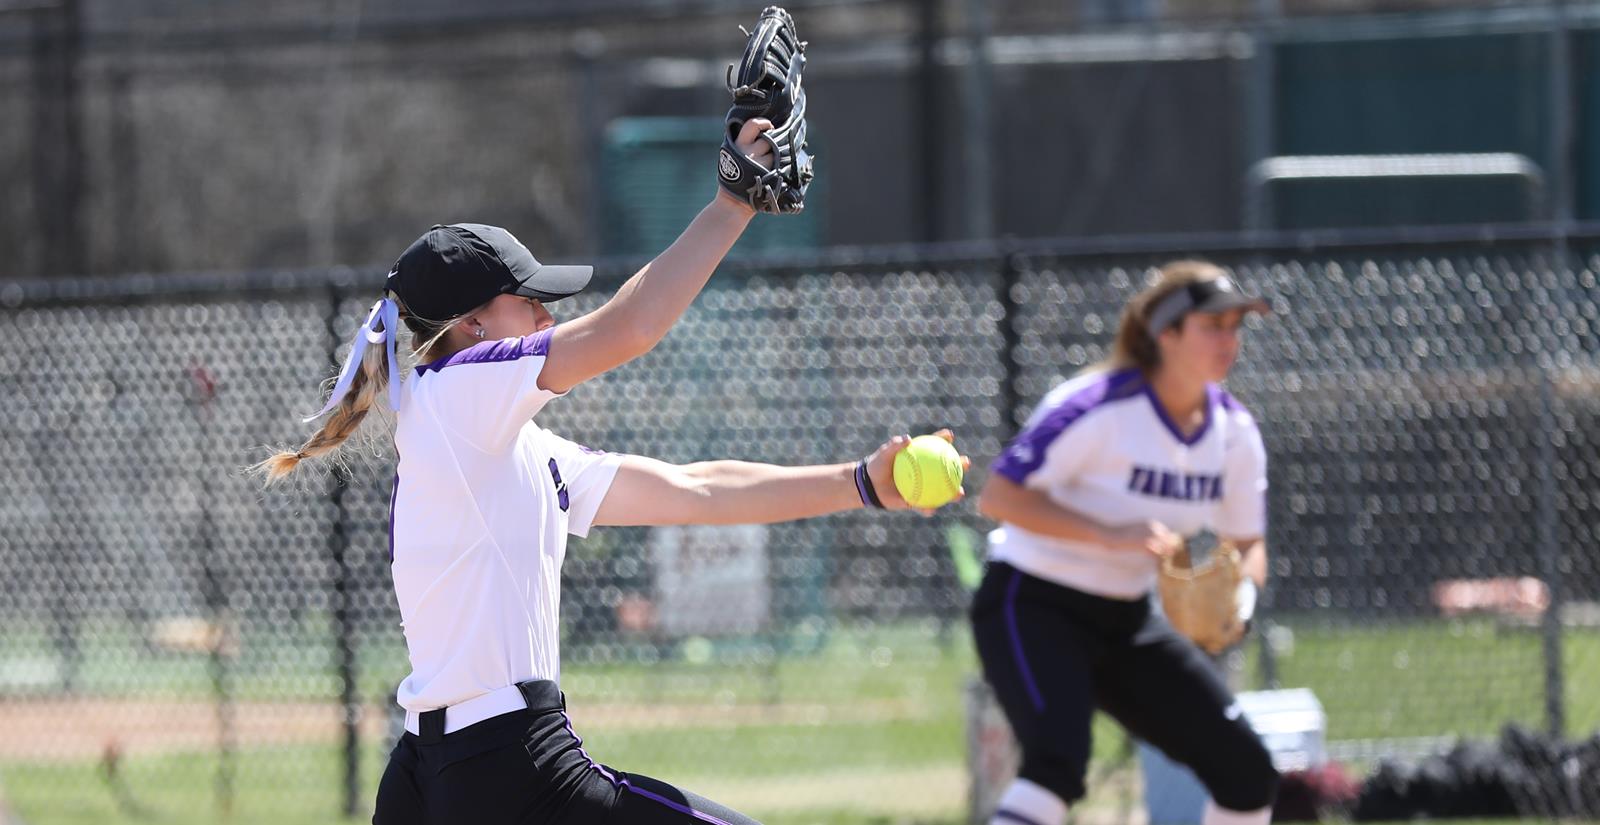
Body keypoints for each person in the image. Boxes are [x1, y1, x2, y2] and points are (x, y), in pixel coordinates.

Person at [258, 119, 967, 825]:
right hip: (508, 765)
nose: (544, 312)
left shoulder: (502, 446)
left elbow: (696, 491)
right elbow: (631, 327)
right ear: (470, 324)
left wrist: (861, 482)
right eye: (526, 297)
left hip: (431, 777)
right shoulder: (456, 391)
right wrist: (734, 203)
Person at [972, 260, 1278, 825]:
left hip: (1127, 619)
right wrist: (1110, 535)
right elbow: (999, 496)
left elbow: (1247, 542)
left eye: (1236, 326)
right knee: (1056, 766)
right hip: (1031, 601)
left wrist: (1242, 599)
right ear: (1166, 333)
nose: (1228, 340)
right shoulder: (1097, 404)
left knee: (1246, 770)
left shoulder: (1234, 435)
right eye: (1212, 325)